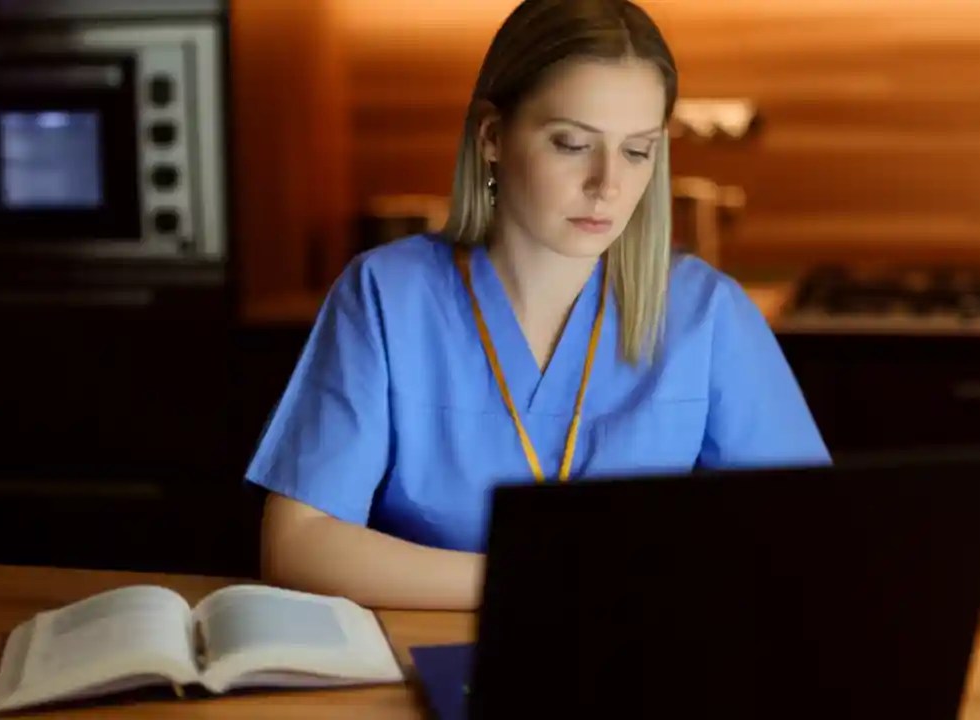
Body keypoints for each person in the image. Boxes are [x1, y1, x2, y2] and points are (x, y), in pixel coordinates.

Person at [245, 0, 829, 611]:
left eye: (637, 151)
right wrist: (540, 577)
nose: (608, 184)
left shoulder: (708, 313)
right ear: (493, 137)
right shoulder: (387, 296)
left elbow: (812, 539)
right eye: (573, 144)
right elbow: (297, 543)